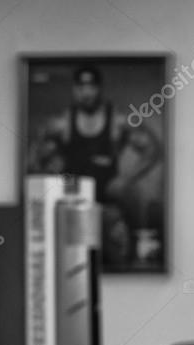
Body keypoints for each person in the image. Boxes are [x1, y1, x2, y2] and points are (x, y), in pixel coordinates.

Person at [28, 64, 162, 267]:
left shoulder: (117, 122)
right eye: (81, 87)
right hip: (74, 208)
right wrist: (53, 177)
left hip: (109, 208)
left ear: (99, 88)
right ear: (74, 90)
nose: (86, 93)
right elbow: (33, 160)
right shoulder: (61, 124)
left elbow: (152, 149)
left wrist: (126, 179)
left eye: (91, 87)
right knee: (74, 271)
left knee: (117, 265)